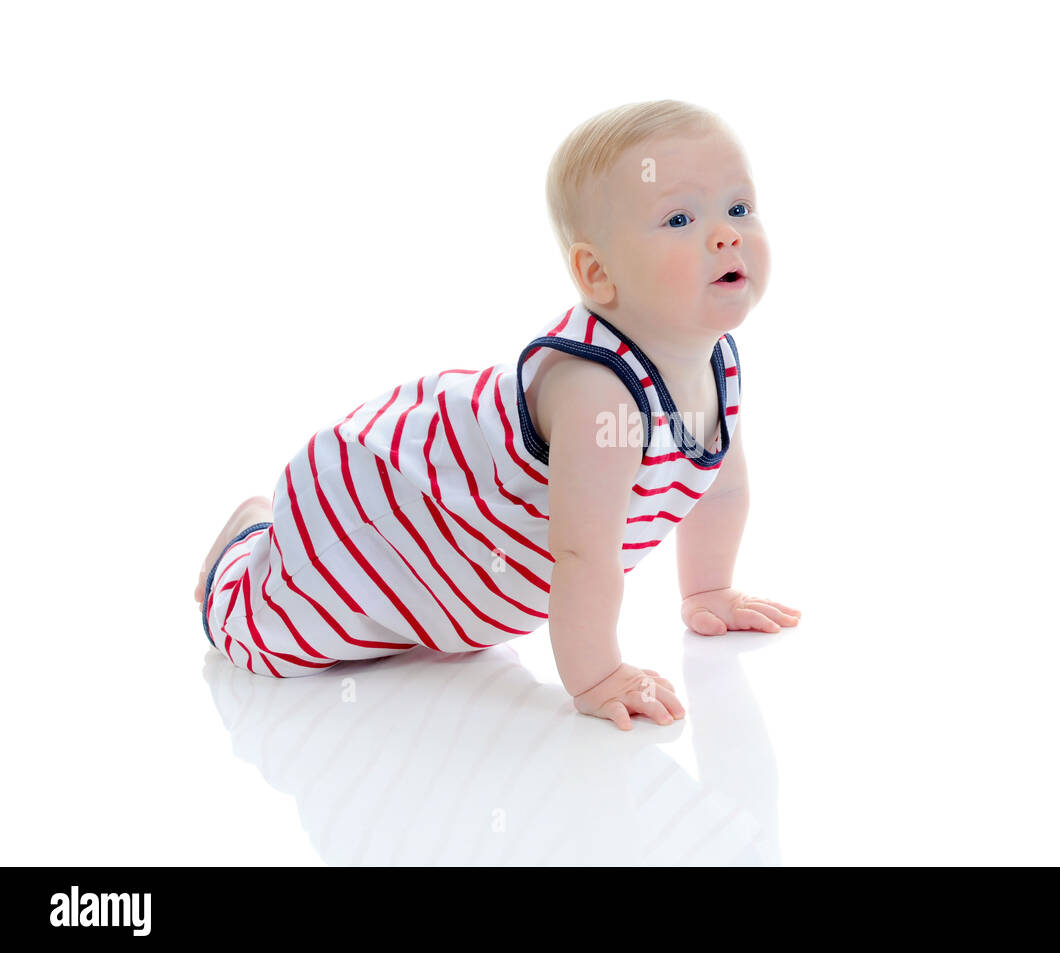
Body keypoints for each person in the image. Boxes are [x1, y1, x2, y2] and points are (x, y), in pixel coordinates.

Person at [195, 99, 801, 730]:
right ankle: (241, 555)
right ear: (598, 273)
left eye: (739, 208)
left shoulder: (715, 360)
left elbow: (721, 489)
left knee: (444, 642)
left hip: (467, 565)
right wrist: (596, 675)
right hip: (380, 515)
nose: (726, 234)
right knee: (279, 644)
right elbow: (581, 555)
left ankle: (284, 553)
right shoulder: (600, 391)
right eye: (679, 217)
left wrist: (707, 591)